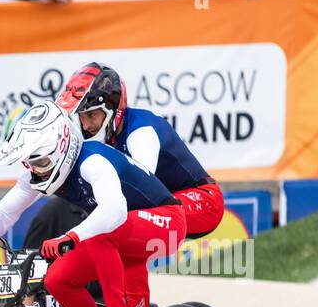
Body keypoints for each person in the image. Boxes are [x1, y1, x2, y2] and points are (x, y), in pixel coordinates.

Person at [0, 101, 186, 307]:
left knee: (100, 232)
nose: (36, 169)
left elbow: (115, 210)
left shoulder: (93, 161)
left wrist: (70, 237)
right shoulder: (40, 172)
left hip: (166, 221)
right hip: (125, 233)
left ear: (61, 149)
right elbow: (5, 212)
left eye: (40, 161)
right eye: (30, 163)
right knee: (58, 279)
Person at [57, 62, 224, 239]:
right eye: (81, 116)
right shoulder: (109, 130)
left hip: (205, 201)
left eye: (91, 115)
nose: (86, 125)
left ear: (113, 110)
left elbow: (140, 193)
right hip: (169, 200)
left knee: (118, 222)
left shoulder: (141, 133)